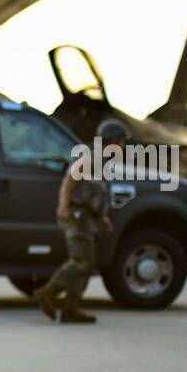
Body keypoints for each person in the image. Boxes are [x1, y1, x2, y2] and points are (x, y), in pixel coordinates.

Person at [35, 118, 124, 324]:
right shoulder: (90, 157)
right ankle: (48, 292)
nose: (123, 146)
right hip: (77, 216)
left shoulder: (103, 161)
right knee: (80, 261)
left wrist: (102, 218)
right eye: (121, 142)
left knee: (87, 263)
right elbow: (69, 180)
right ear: (112, 141)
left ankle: (70, 308)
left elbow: (97, 191)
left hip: (88, 218)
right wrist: (63, 206)